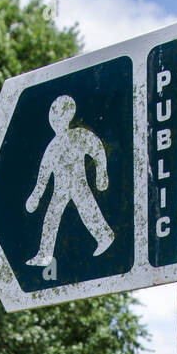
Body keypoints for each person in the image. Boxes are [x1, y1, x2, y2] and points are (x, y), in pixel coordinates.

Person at [25, 94, 115, 267]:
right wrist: (35, 196)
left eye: (60, 115)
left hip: (78, 183)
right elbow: (43, 176)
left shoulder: (78, 135)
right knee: (51, 217)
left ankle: (105, 236)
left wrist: (102, 173)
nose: (56, 120)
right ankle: (44, 255)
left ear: (68, 115)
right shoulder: (51, 147)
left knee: (88, 209)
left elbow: (96, 149)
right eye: (54, 116)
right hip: (60, 189)